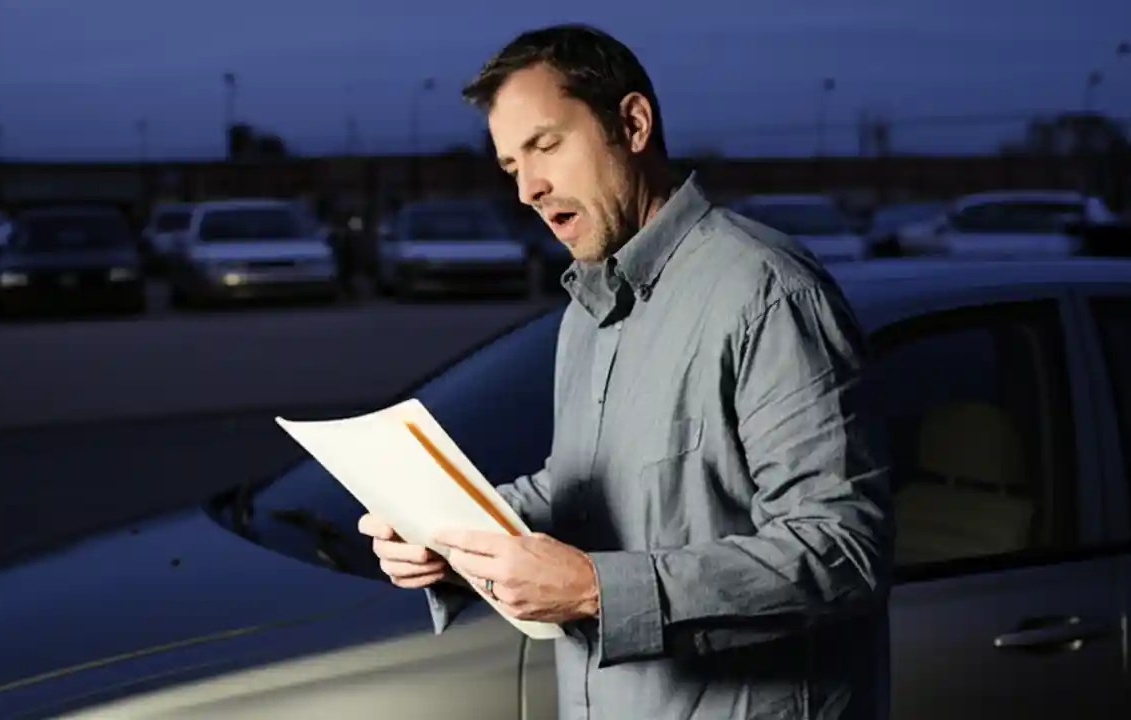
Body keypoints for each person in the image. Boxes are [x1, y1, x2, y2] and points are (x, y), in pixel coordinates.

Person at [358, 23, 893, 720]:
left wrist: (594, 592)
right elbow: (587, 485)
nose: (529, 188)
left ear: (633, 124)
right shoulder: (588, 305)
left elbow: (844, 551)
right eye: (512, 166)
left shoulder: (766, 294)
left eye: (546, 145)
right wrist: (450, 535)